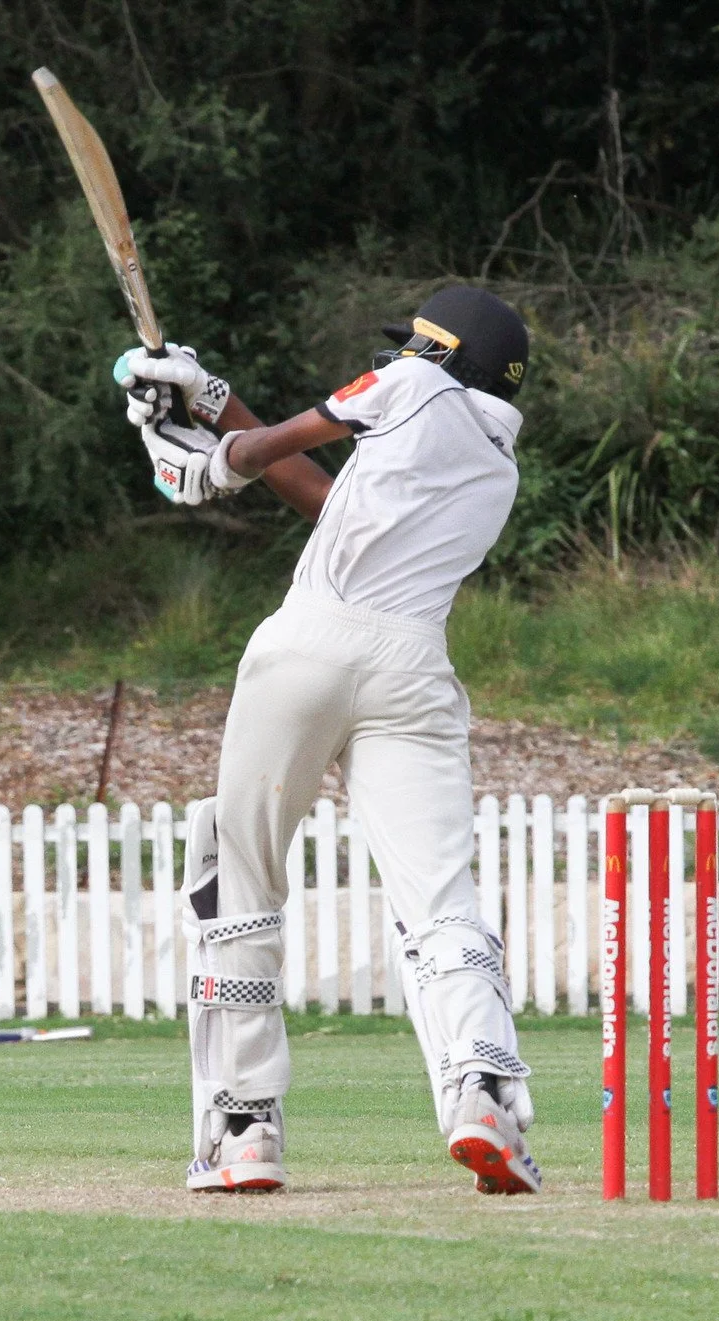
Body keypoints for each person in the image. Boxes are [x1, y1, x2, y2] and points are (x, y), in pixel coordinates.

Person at [115, 285, 540, 1196]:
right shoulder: (497, 459)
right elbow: (330, 500)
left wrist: (197, 455)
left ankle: (244, 1128)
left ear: (439, 352)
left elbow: (270, 454)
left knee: (239, 873)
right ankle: (483, 1093)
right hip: (414, 669)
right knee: (439, 893)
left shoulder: (408, 384)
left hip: (311, 642)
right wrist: (208, 393)